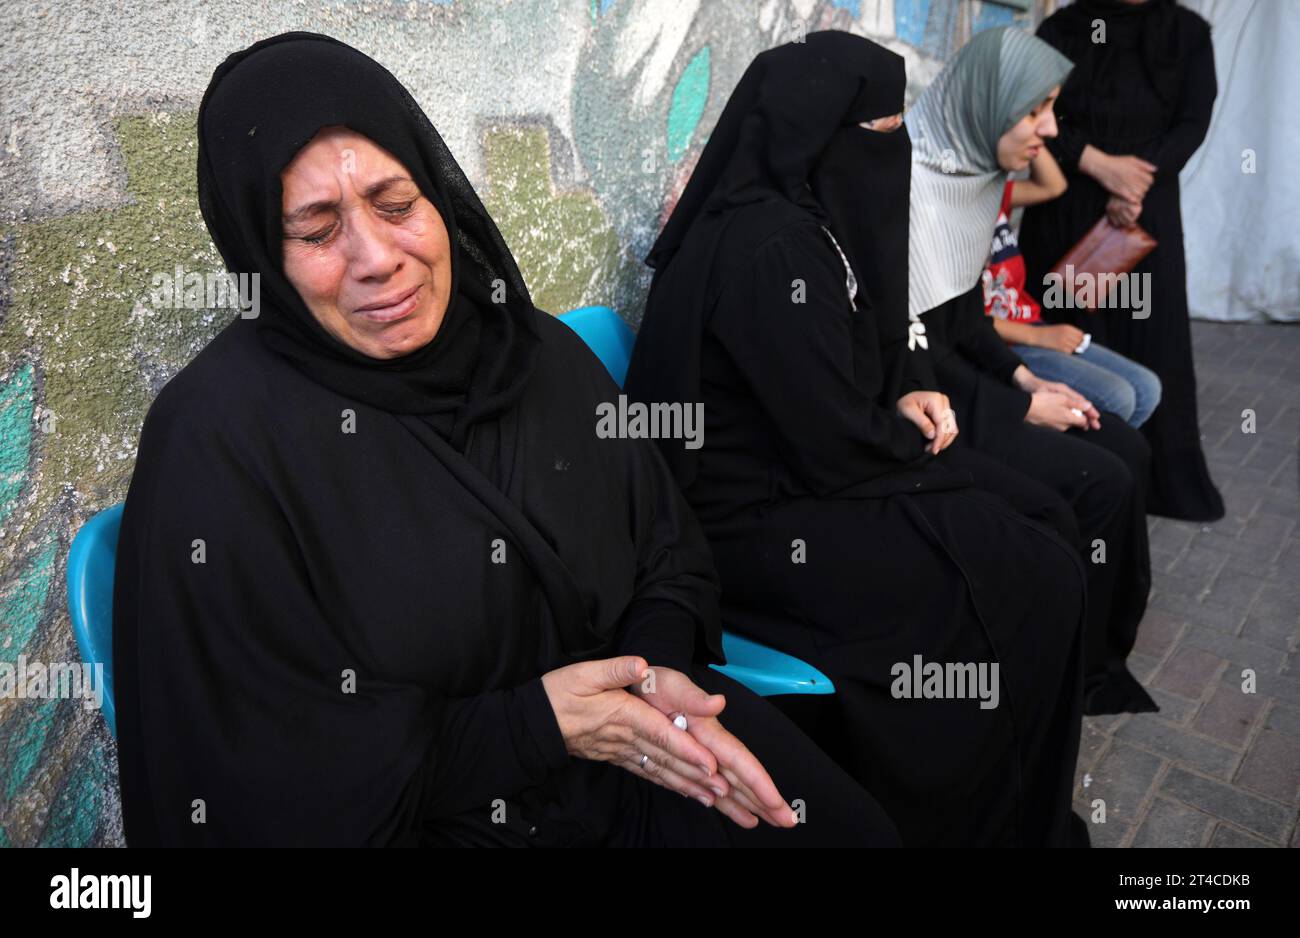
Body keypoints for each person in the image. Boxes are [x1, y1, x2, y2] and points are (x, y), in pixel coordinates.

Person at [111, 31, 901, 847]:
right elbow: (260, 774)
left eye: (395, 203)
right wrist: (536, 726)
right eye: (316, 231)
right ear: (259, 252)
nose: (377, 257)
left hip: (634, 755)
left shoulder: (532, 356)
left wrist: (654, 675)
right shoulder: (217, 445)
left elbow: (664, 548)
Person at [625, 31, 1089, 847]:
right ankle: (976, 814)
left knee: (1035, 535)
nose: (893, 149)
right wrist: (908, 441)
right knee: (1020, 570)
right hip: (750, 525)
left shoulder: (806, 220)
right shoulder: (772, 246)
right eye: (879, 131)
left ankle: (1014, 798)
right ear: (818, 135)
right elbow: (830, 438)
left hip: (803, 479)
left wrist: (909, 397)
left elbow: (851, 371)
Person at [906, 26, 1158, 716]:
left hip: (973, 383)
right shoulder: (910, 193)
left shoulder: (969, 178)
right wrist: (1017, 409)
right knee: (1098, 479)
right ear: (985, 103)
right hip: (931, 407)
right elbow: (908, 356)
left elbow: (966, 323)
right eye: (1033, 109)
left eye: (1050, 107)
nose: (1049, 128)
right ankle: (1064, 675)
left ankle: (1094, 669)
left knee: (1127, 445)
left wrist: (1028, 381)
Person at [1019, 0, 1224, 522]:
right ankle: (1078, 479)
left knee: (1150, 336)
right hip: (1065, 204)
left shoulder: (1186, 33)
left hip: (1140, 218)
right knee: (1073, 332)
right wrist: (1098, 164)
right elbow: (1029, 107)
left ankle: (1156, 482)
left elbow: (1193, 120)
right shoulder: (1061, 28)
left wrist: (1136, 181)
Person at [982, 148, 1162, 428]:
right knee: (1119, 398)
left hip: (1032, 326)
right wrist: (1036, 336)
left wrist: (1030, 136)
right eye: (1029, 117)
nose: (1048, 128)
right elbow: (957, 318)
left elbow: (1053, 184)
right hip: (999, 342)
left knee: (1146, 389)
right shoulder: (950, 210)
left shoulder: (993, 194)